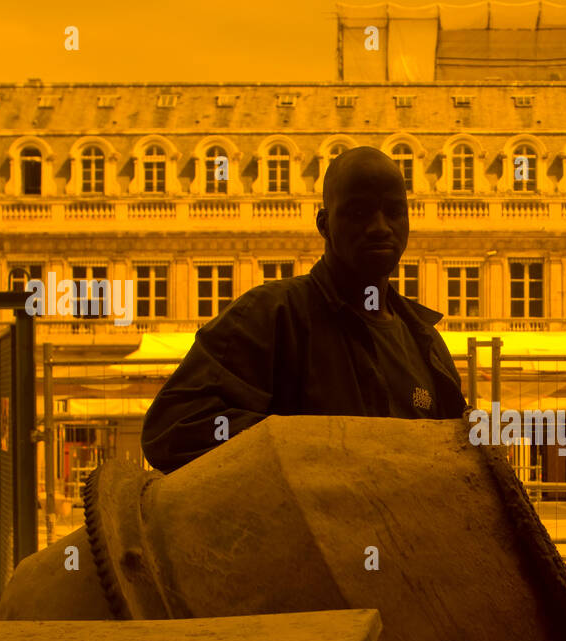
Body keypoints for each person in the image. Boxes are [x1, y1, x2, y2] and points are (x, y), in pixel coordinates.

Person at [141, 147, 467, 473]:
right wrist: (322, 448)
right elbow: (174, 428)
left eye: (395, 211)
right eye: (358, 213)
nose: (380, 227)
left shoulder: (426, 343)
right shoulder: (269, 316)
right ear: (324, 225)